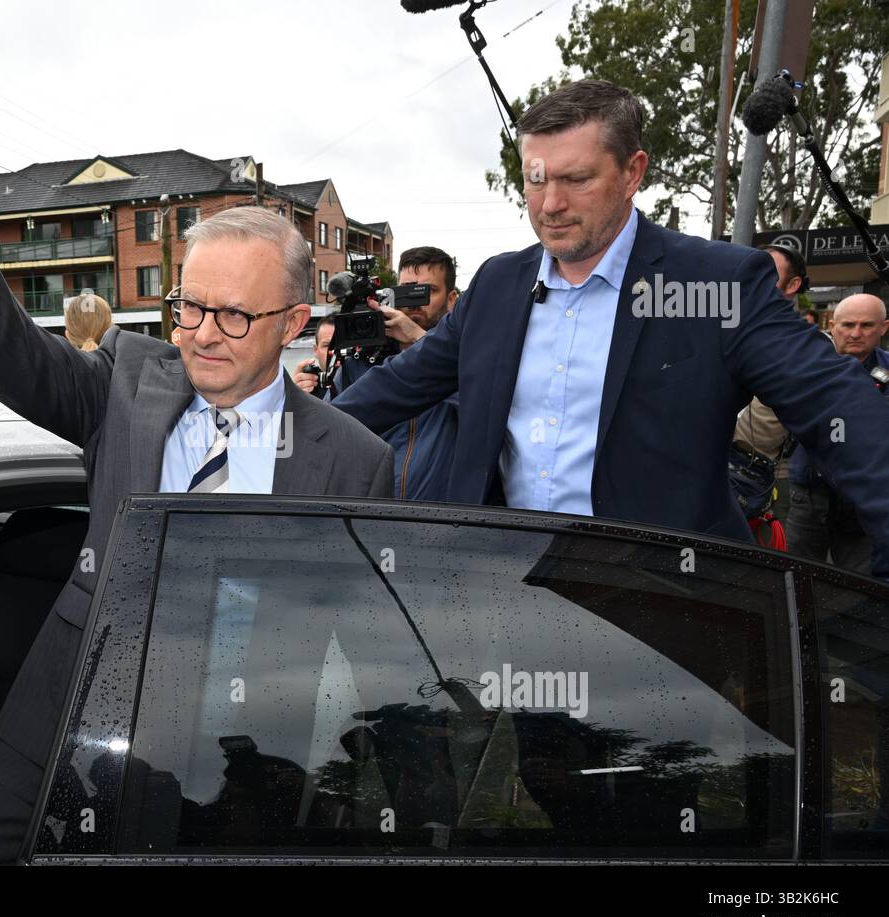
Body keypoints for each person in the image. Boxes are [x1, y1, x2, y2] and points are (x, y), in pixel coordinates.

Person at [0, 15, 393, 864]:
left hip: (230, 760)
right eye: (187, 306)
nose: (202, 333)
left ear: (293, 321)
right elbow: (0, 348)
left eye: (234, 315)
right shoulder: (126, 386)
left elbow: (366, 655)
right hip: (57, 724)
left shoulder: (356, 464)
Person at [331, 79, 889, 576]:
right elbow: (393, 390)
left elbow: (841, 410)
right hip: (504, 591)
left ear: (632, 173)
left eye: (577, 179)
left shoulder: (718, 281)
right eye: (536, 180)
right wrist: (269, 440)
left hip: (666, 608)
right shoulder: (498, 284)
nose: (550, 204)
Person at [296, 246, 462, 500]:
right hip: (376, 518)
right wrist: (306, 397)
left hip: (445, 520)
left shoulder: (466, 359)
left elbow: (479, 407)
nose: (414, 302)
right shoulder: (362, 360)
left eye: (426, 292)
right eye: (406, 291)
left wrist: (421, 342)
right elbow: (331, 434)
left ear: (451, 300)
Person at [786, 293, 889, 575]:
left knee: (864, 588)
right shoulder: (803, 366)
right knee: (796, 581)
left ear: (884, 327)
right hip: (809, 494)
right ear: (832, 325)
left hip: (865, 502)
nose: (856, 333)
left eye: (867, 325)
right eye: (847, 325)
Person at [731, 243, 810, 531]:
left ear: (793, 284)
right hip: (705, 469)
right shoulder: (721, 327)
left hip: (765, 479)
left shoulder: (806, 346)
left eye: (766, 272)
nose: (752, 278)